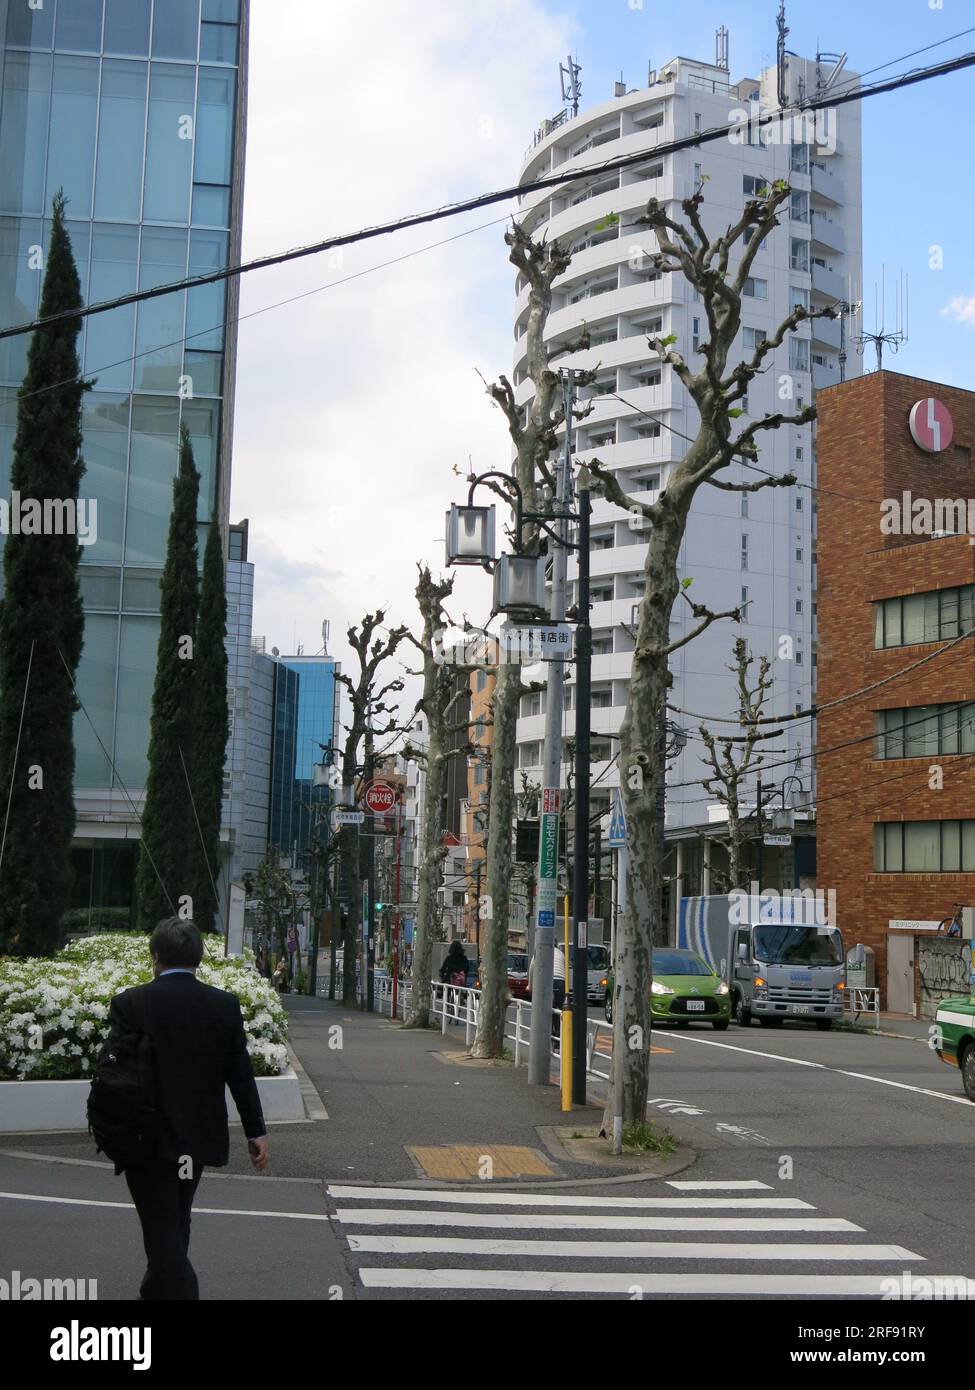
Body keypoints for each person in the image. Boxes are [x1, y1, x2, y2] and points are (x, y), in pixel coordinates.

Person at [103, 917, 268, 1300]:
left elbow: (111, 1070)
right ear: (198, 958)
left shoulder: (131, 1003)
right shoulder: (223, 1005)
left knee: (159, 1223)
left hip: (143, 1136)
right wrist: (255, 1131)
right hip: (196, 1138)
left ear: (156, 956)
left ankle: (179, 1292)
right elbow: (239, 1074)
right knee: (177, 1216)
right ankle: (156, 1291)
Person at [528, 943, 566, 1038]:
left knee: (542, 1008)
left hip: (546, 980)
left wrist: (530, 985)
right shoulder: (561, 953)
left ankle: (542, 1035)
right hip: (561, 981)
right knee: (559, 1010)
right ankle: (558, 1037)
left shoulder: (540, 950)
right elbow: (565, 969)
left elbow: (532, 968)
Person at [439, 940, 469, 1025]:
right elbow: (467, 969)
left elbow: (443, 969)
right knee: (462, 988)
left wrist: (442, 973)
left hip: (450, 980)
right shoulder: (464, 958)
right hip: (461, 980)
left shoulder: (449, 958)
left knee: (446, 989)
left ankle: (447, 1002)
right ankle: (462, 997)